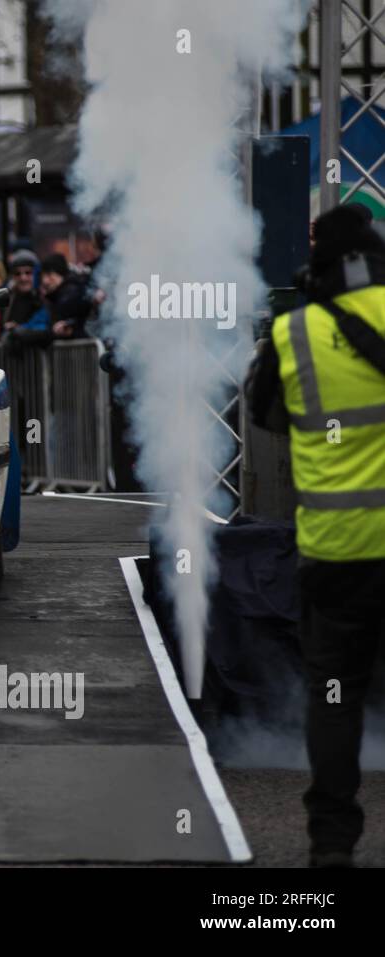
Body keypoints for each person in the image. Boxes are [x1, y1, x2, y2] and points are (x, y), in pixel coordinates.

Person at [246, 202, 385, 868]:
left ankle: (332, 843)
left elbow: (266, 413)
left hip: (335, 552)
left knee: (335, 700)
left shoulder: (294, 331)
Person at [39, 252, 94, 339]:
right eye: (43, 275)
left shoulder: (71, 295)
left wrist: (70, 329)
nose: (45, 281)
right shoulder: (54, 297)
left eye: (49, 275)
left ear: (61, 274)